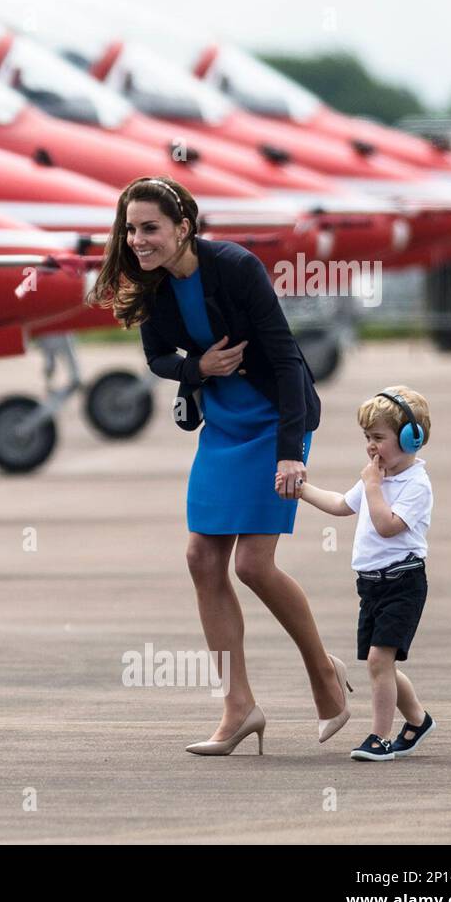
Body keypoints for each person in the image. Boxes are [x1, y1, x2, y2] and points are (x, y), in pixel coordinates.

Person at [89, 175, 349, 756]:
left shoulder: (236, 266)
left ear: (184, 228)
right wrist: (197, 368)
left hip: (275, 419)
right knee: (202, 557)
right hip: (224, 423)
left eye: (149, 228)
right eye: (131, 229)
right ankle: (239, 706)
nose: (137, 240)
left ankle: (323, 672)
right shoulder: (151, 283)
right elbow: (158, 356)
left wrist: (289, 450)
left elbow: (283, 355)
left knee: (255, 565)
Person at [295, 387, 435, 761]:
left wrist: (374, 486)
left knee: (379, 661)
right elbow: (342, 505)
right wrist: (303, 490)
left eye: (378, 438)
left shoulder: (414, 485)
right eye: (366, 438)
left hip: (402, 582)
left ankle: (380, 737)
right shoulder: (378, 476)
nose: (371, 447)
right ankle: (418, 720)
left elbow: (387, 525)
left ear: (410, 438)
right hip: (371, 586)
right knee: (380, 663)